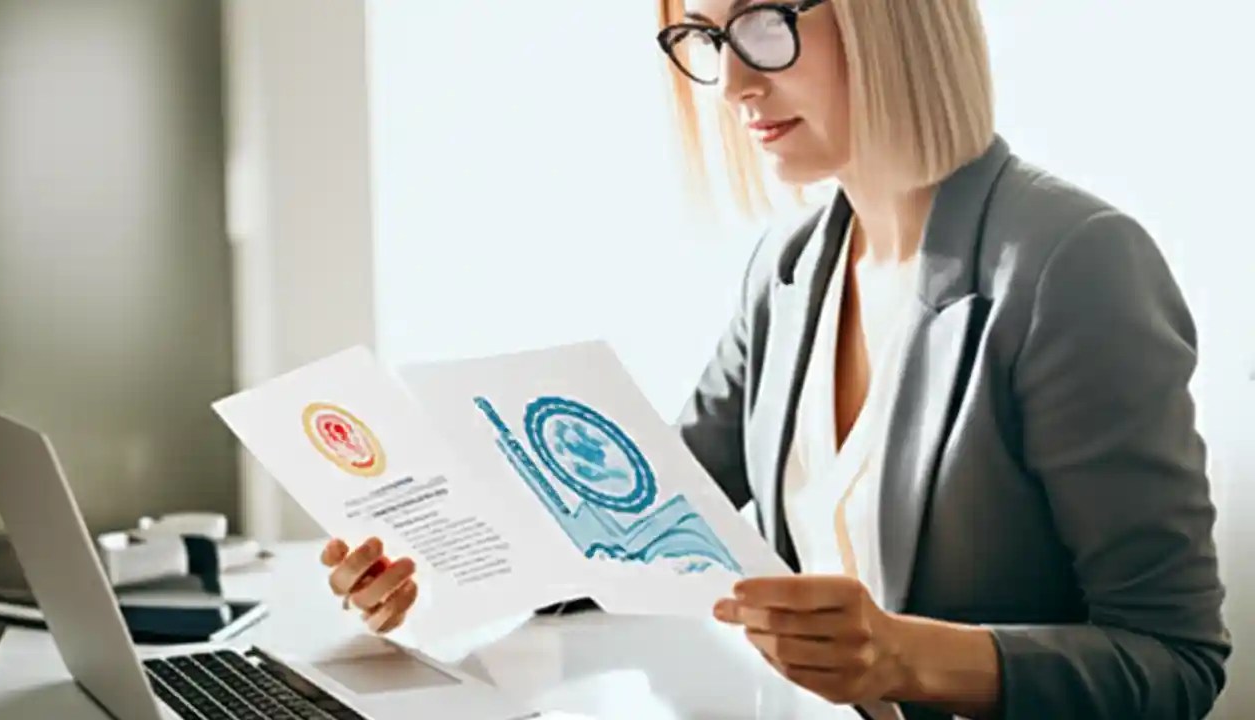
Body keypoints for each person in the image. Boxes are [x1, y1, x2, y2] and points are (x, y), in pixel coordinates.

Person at [321, 1, 1232, 717]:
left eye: (764, 24)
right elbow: (641, 527)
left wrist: (905, 656)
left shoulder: (1072, 262)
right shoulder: (791, 270)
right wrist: (439, 577)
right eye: (706, 38)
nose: (732, 85)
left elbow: (1176, 662)